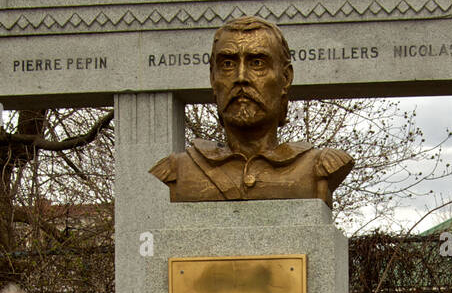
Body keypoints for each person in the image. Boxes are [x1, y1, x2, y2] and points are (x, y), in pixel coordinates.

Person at [150, 16, 353, 206]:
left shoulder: (320, 168)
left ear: (286, 78)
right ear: (213, 78)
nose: (241, 77)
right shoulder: (178, 170)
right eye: (228, 64)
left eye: (257, 63)